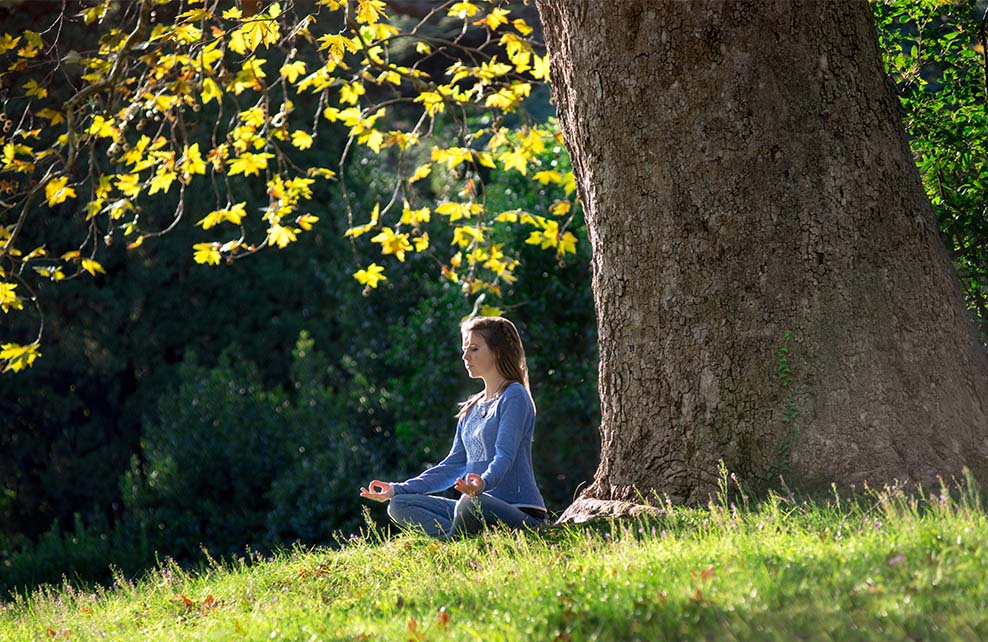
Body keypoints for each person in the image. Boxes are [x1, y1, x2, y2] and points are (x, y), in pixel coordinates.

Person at [360, 316, 548, 538]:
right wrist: (398, 488)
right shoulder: (471, 408)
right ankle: (460, 538)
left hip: (519, 512)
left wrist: (483, 483)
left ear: (498, 351)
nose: (465, 356)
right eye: (464, 349)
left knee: (469, 503)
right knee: (399, 505)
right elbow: (452, 466)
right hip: (472, 508)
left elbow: (505, 455)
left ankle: (453, 541)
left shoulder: (514, 396)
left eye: (474, 349)